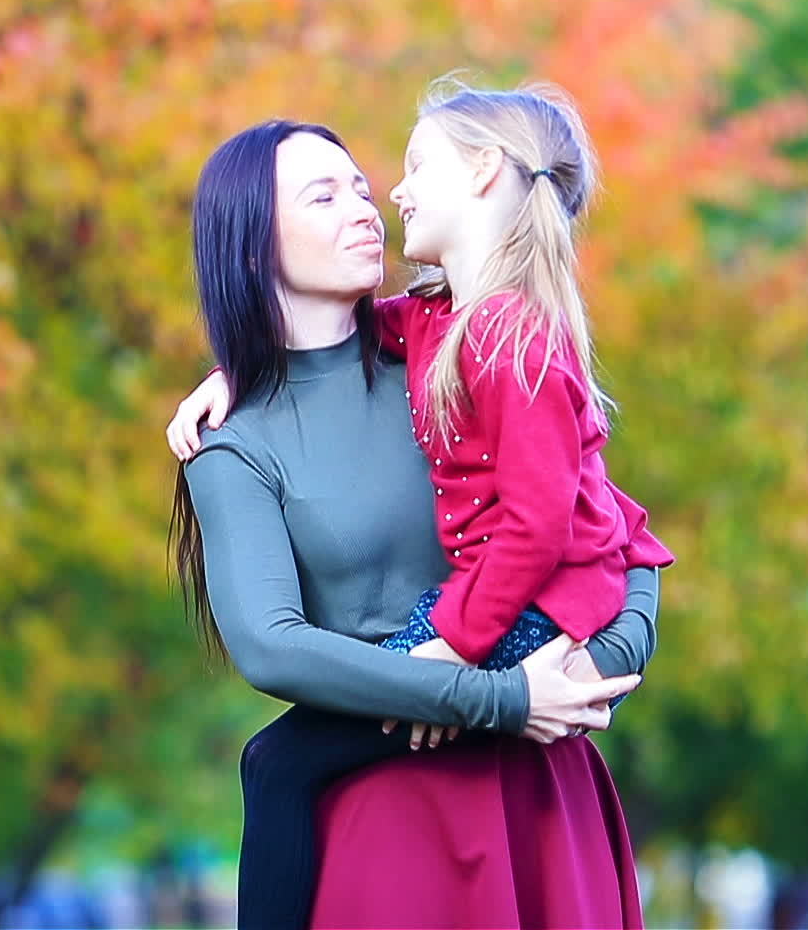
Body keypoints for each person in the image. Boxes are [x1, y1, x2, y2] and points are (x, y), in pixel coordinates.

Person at [169, 117, 658, 928]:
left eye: (362, 187)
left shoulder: (461, 352)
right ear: (252, 248)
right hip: (388, 823)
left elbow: (614, 537)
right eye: (324, 196)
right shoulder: (235, 441)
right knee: (273, 765)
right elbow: (270, 643)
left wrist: (589, 668)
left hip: (538, 788)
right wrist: (493, 696)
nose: (366, 207)